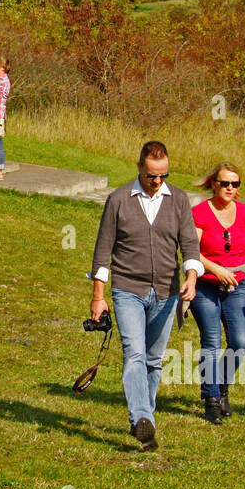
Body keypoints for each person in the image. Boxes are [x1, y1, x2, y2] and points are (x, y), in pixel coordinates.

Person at [89, 140, 204, 451]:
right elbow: (103, 252)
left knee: (154, 360)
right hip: (128, 288)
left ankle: (145, 419)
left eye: (163, 175)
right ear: (139, 167)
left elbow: (190, 247)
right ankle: (141, 416)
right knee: (135, 353)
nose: (157, 182)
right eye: (152, 175)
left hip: (167, 293)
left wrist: (192, 277)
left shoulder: (179, 200)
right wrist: (98, 297)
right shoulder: (118, 200)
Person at [189, 162, 245, 424]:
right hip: (206, 284)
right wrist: (215, 269)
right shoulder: (199, 212)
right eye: (225, 183)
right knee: (211, 341)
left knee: (239, 342)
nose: (230, 188)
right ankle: (211, 399)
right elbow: (190, 251)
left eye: (235, 183)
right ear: (213, 184)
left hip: (237, 284)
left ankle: (220, 386)